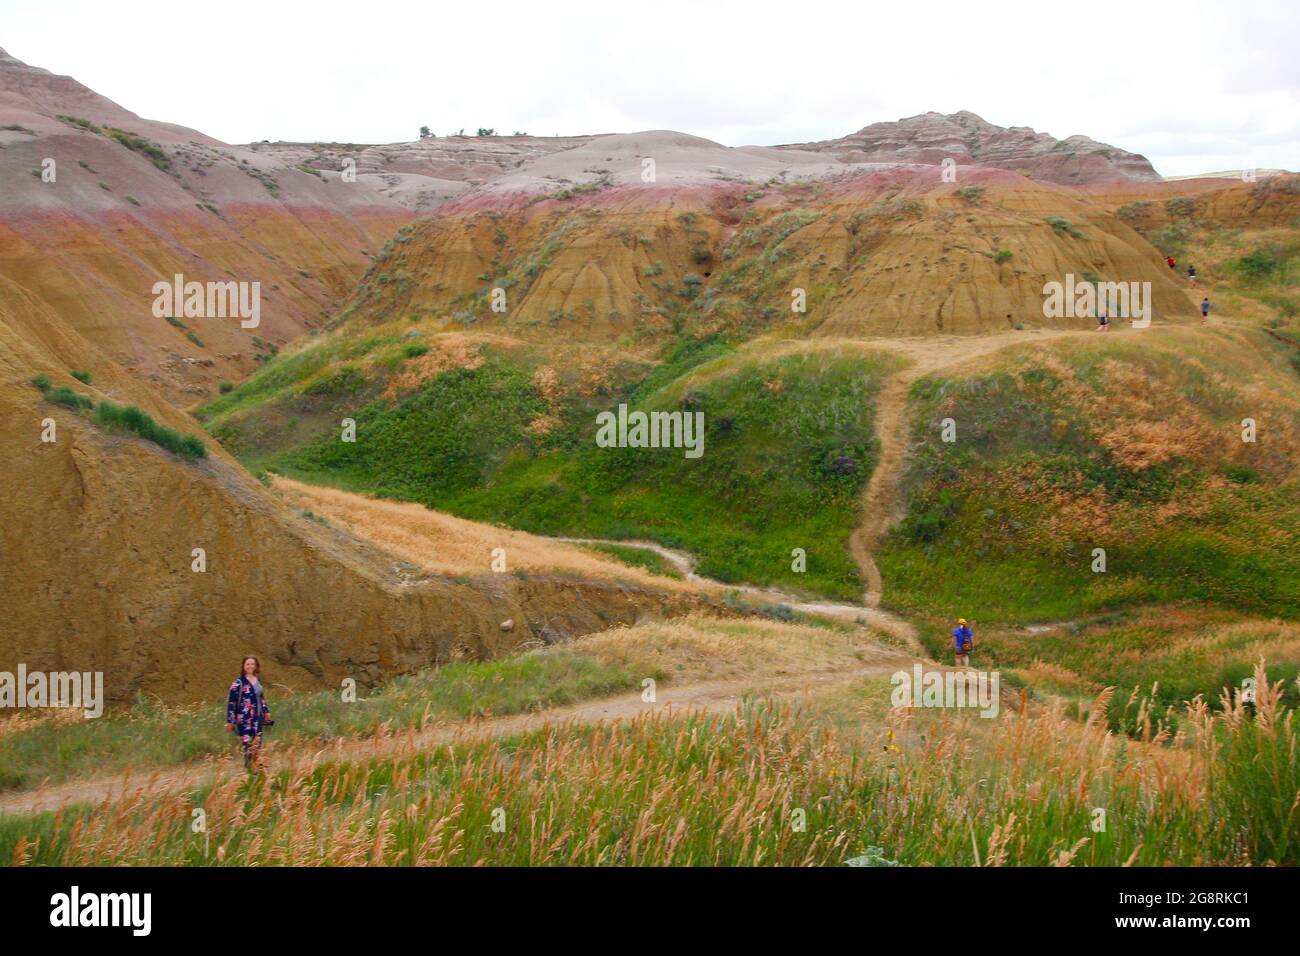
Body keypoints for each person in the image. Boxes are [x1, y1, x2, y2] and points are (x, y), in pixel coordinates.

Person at [226, 655, 273, 772]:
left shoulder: (258, 680)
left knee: (257, 743)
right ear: (243, 666)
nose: (250, 666)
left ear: (256, 666)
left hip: (258, 717)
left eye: (252, 664)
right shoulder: (238, 683)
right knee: (247, 744)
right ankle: (249, 769)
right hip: (245, 719)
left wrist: (266, 711)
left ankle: (257, 767)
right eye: (248, 664)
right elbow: (232, 703)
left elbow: (261, 698)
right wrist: (230, 722)